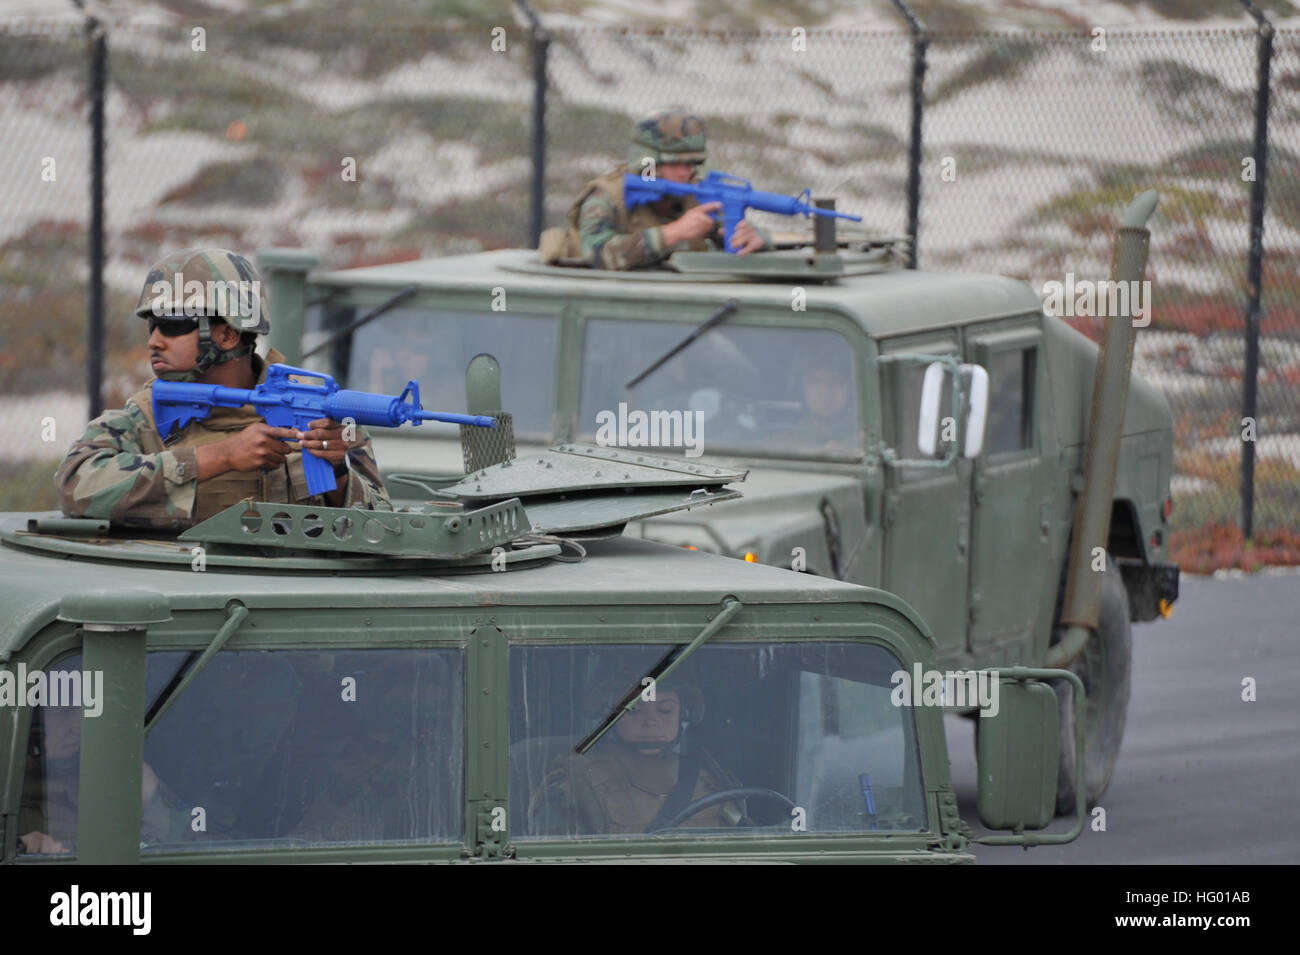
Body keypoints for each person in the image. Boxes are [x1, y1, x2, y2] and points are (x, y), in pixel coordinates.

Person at [56, 248, 390, 529]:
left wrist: (337, 471)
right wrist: (219, 457)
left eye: (172, 325)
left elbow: (381, 528)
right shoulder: (144, 417)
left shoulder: (321, 412)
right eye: (152, 325)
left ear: (228, 335)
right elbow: (76, 487)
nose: (154, 342)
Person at [538, 108, 769, 270]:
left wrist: (754, 239)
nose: (685, 172)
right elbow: (597, 255)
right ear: (649, 161)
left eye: (691, 164)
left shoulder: (694, 195)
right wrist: (673, 233)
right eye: (675, 163)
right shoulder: (607, 197)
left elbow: (748, 235)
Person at [528, 674, 743, 835]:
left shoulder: (708, 777)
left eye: (665, 710)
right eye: (634, 710)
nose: (651, 721)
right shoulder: (577, 781)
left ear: (683, 715)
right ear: (611, 719)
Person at [19, 698, 190, 854]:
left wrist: (151, 797)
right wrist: (24, 844)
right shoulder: (11, 783)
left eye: (85, 711)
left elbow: (181, 843)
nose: (78, 725)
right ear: (32, 720)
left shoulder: (119, 774)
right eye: (62, 712)